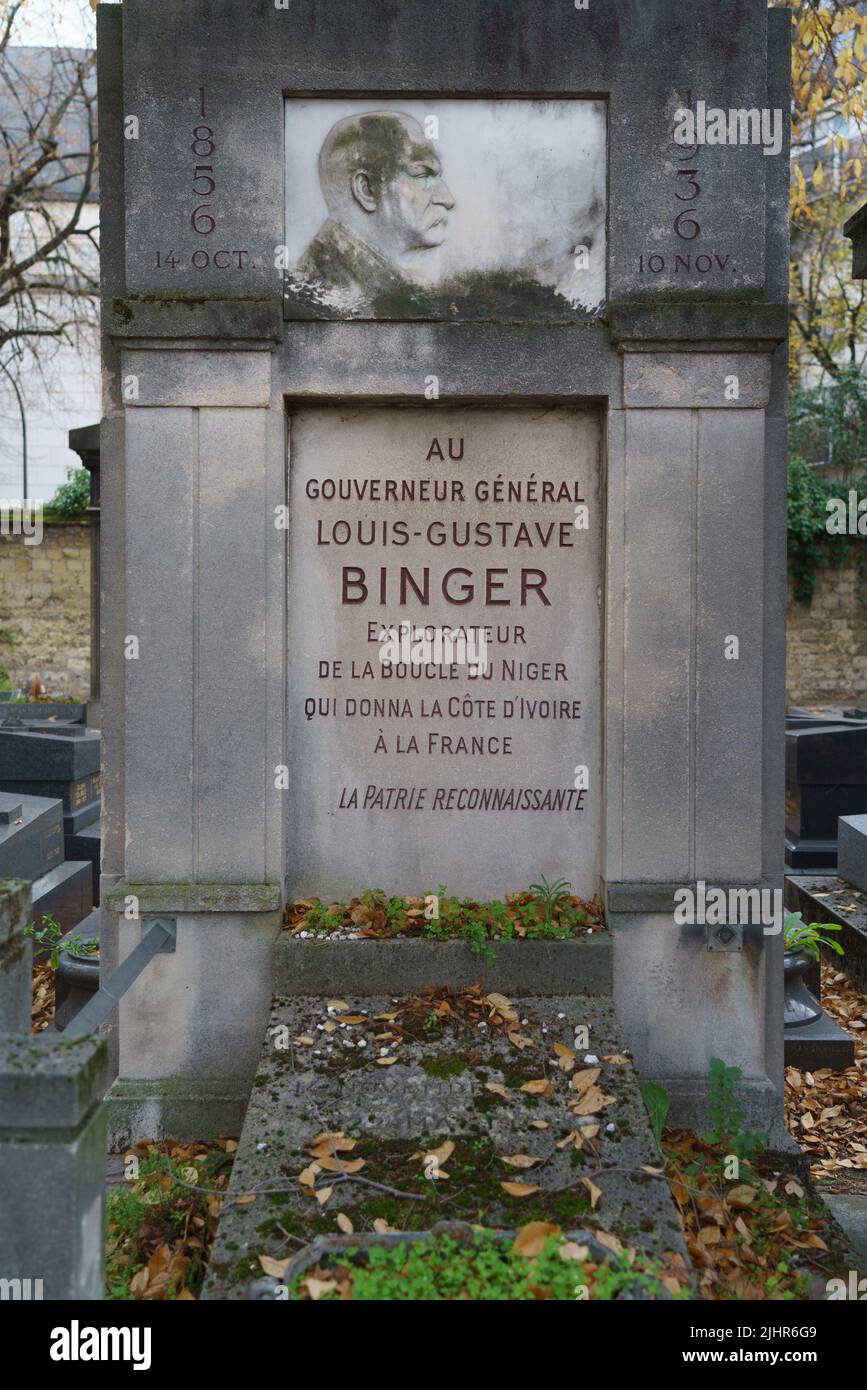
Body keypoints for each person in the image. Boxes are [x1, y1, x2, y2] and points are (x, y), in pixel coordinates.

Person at [294, 111, 455, 311]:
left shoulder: (382, 289)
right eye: (423, 175)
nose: (448, 199)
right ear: (366, 189)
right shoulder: (326, 296)